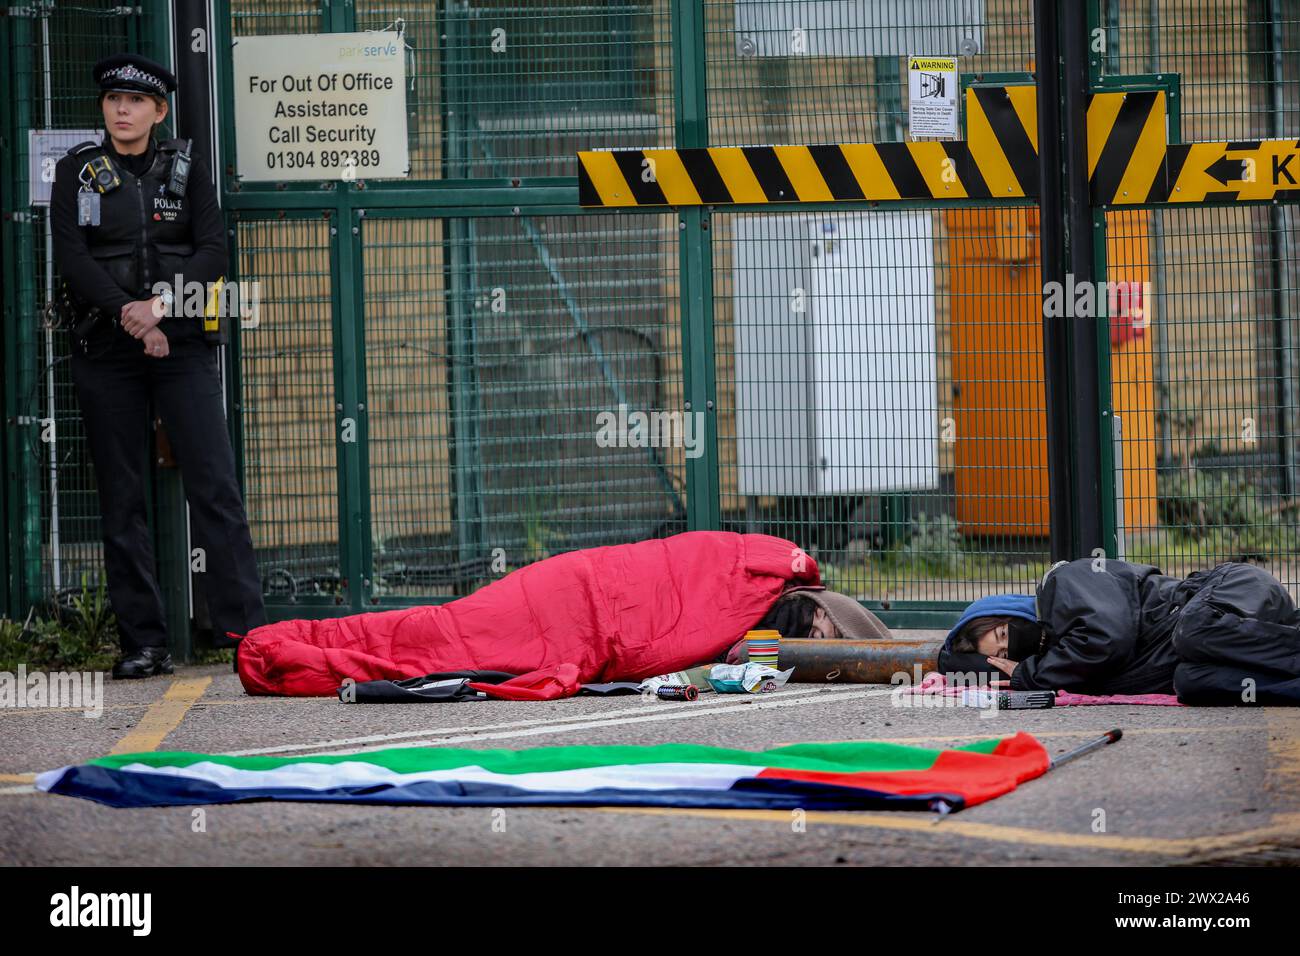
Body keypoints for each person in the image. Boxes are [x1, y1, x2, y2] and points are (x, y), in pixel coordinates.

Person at [49, 53, 265, 678]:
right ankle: (144, 642)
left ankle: (247, 635)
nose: (123, 110)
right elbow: (74, 259)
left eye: (136, 102)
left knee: (215, 486)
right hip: (106, 350)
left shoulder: (187, 169)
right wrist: (131, 316)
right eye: (114, 100)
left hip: (183, 346)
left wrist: (161, 308)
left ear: (159, 111)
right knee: (122, 496)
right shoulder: (77, 174)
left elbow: (214, 248)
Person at [937, 558, 1300, 705]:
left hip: (1230, 591)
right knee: (1190, 682)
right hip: (1218, 644)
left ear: (1009, 614)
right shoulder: (1065, 665)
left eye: (1003, 634)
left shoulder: (1061, 584)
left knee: (1193, 630)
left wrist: (1031, 675)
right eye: (1002, 656)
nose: (1009, 652)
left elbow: (1108, 639)